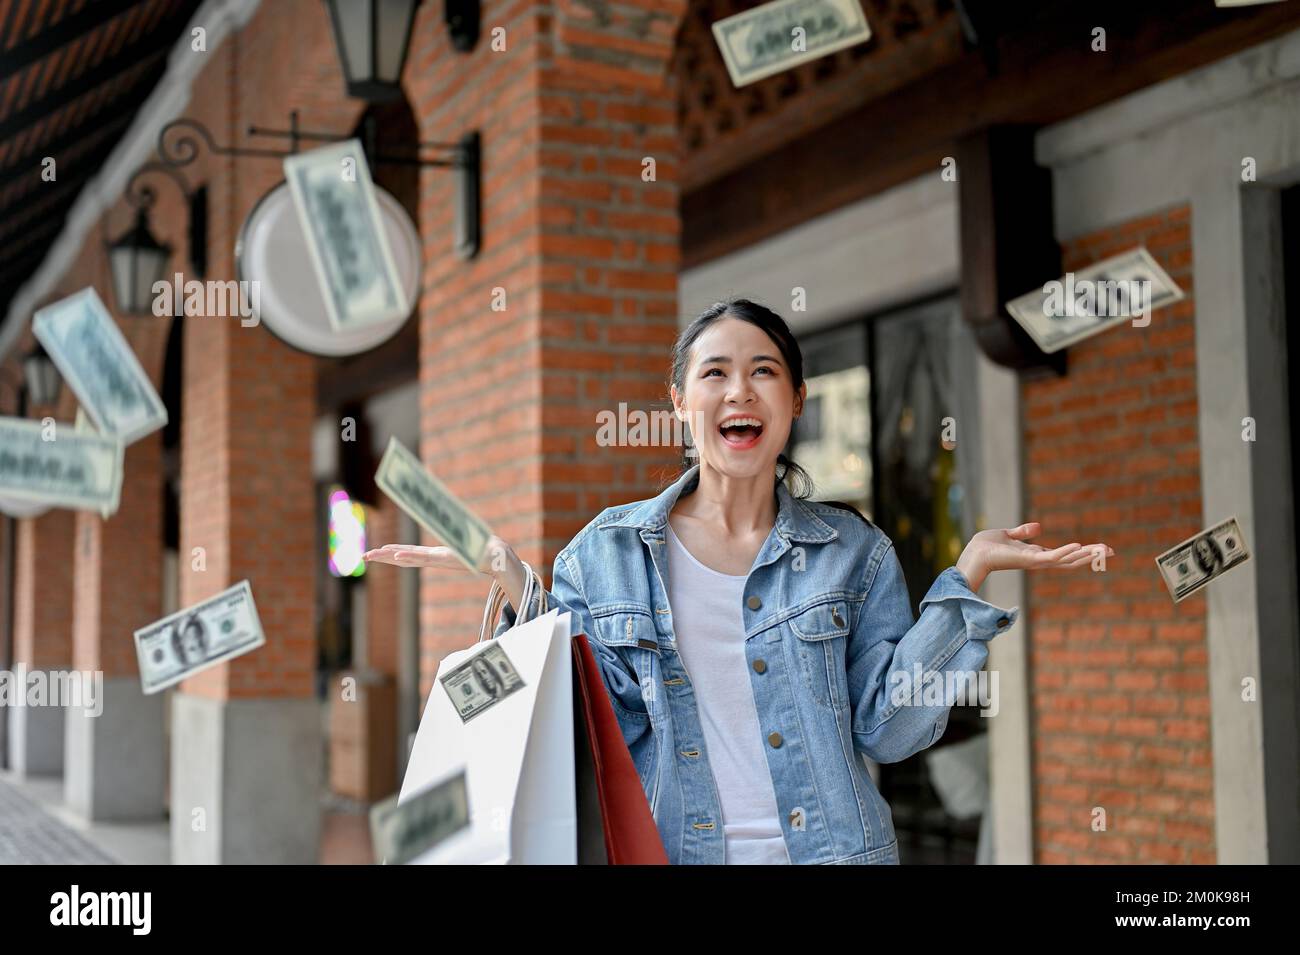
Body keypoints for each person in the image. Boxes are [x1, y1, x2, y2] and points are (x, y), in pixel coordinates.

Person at [365, 298, 1113, 865]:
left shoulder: (854, 551)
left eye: (764, 372)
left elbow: (890, 730)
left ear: (796, 403)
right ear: (680, 402)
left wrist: (966, 583)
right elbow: (597, 729)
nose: (739, 392)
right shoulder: (609, 554)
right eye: (714, 373)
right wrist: (521, 590)